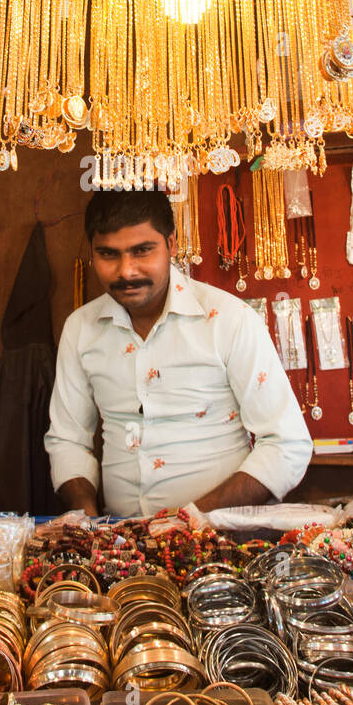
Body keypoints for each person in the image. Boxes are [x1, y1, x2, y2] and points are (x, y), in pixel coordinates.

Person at [45, 190, 313, 518]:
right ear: (92, 252)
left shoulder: (229, 320)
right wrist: (84, 518)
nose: (126, 271)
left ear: (171, 244)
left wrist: (189, 521)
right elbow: (67, 439)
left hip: (220, 538)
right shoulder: (81, 328)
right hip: (121, 546)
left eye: (142, 251)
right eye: (108, 254)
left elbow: (287, 444)